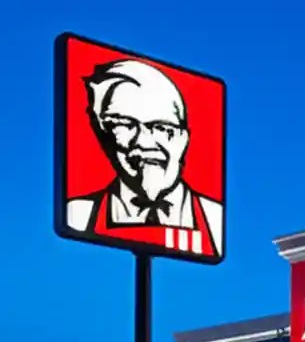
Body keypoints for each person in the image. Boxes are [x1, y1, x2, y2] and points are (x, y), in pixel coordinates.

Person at [65, 59, 223, 259]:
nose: (144, 141)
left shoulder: (214, 219)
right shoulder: (78, 216)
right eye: (125, 125)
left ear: (184, 139)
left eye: (162, 128)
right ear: (103, 135)